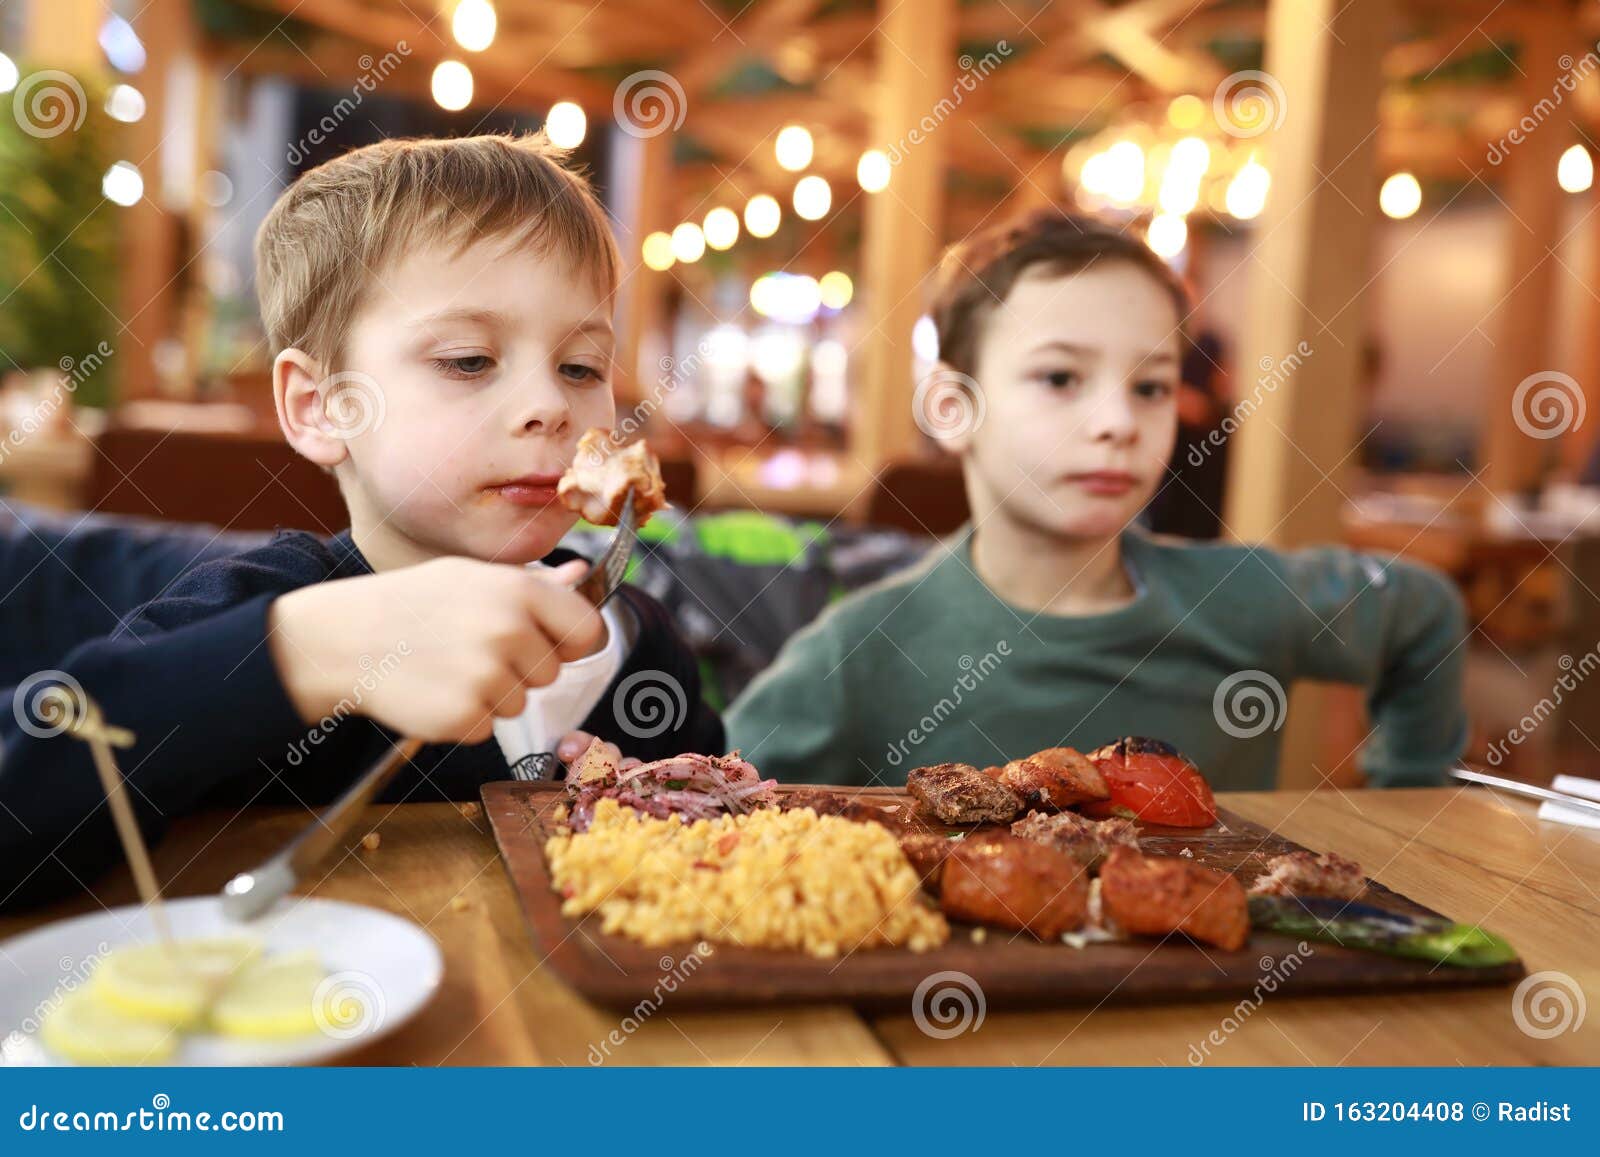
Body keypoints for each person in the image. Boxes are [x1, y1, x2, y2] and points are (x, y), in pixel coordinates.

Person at [0, 134, 719, 909]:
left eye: (580, 366)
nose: (551, 405)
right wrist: (311, 655)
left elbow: (731, 842)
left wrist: (654, 801)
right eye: (470, 360)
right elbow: (29, 801)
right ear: (320, 407)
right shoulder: (260, 609)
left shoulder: (637, 645)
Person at [726, 209, 1466, 790]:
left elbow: (1423, 612)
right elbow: (699, 807)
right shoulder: (862, 652)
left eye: (1149, 387)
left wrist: (1408, 823)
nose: (1118, 421)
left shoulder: (1243, 599)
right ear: (953, 407)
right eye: (1060, 379)